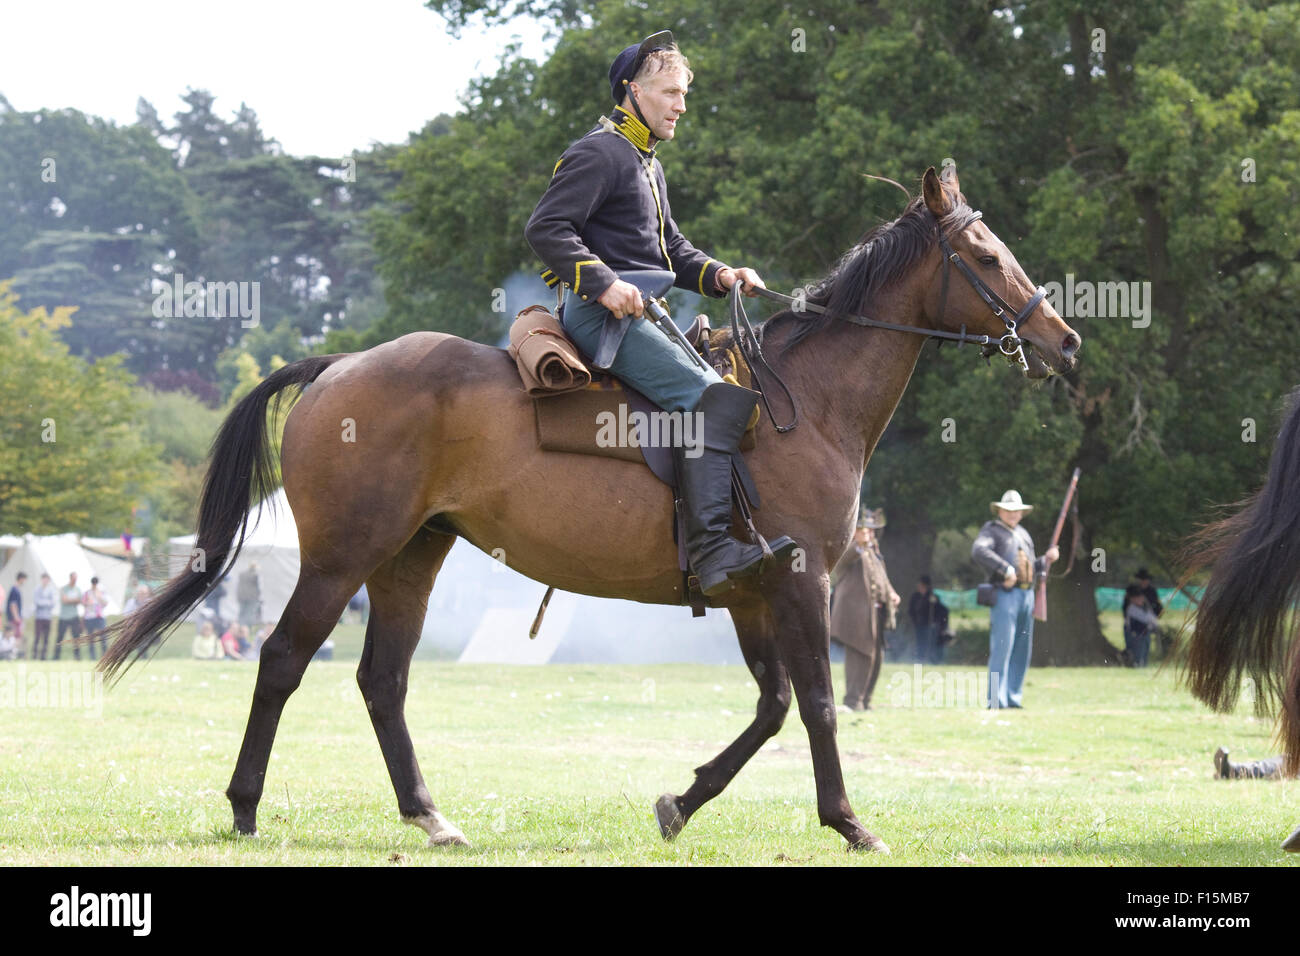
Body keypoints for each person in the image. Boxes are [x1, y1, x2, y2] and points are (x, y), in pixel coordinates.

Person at [524, 30, 795, 597]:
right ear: (633, 91)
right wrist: (603, 284)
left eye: (684, 94)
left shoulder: (646, 161)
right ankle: (714, 552)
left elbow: (671, 249)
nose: (681, 106)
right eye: (670, 93)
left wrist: (722, 273)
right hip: (601, 319)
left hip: (641, 317)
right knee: (711, 399)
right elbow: (546, 228)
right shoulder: (599, 152)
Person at [971, 490, 1059, 709]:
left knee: (1022, 649)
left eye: (1015, 511)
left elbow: (1030, 567)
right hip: (1005, 595)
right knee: (1002, 648)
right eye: (1008, 510)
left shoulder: (1024, 534)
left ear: (1021, 513)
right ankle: (995, 699)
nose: (1012, 514)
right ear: (1000, 511)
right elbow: (979, 550)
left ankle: (1012, 696)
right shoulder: (992, 530)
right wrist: (1005, 569)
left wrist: (1046, 560)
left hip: (1027, 594)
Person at [830, 509, 900, 711]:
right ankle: (853, 701)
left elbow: (882, 578)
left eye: (870, 531)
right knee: (858, 657)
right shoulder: (848, 550)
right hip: (854, 616)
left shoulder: (873, 552)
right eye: (862, 530)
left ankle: (865, 700)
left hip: (874, 613)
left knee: (876, 657)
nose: (867, 534)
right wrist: (857, 545)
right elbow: (843, 561)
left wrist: (892, 594)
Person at [907, 575, 945, 664]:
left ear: (926, 585)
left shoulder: (932, 596)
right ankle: (920, 658)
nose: (918, 587)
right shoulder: (915, 596)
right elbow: (911, 610)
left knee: (930, 642)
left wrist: (935, 621)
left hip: (930, 624)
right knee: (920, 642)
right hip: (919, 623)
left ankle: (931, 659)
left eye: (920, 585)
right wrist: (914, 620)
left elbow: (939, 610)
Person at [1122, 585, 1159, 667]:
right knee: (1137, 654)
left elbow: (1152, 619)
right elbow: (1147, 619)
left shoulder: (1144, 608)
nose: (1141, 599)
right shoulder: (1132, 609)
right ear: (1132, 599)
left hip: (1144, 634)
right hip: (1135, 635)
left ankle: (1143, 666)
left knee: (1145, 652)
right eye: (1138, 598)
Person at [53, 571, 83, 661]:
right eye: (74, 578)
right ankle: (56, 657)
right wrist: (74, 600)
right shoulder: (63, 589)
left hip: (74, 616)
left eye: (76, 579)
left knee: (76, 638)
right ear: (70, 578)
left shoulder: (78, 589)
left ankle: (77, 657)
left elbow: (79, 600)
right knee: (60, 637)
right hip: (63, 617)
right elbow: (64, 601)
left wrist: (70, 600)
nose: (75, 580)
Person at [82, 576, 108, 661]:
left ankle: (105, 656)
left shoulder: (101, 592)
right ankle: (92, 657)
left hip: (99, 617)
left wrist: (99, 597)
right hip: (89, 617)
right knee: (91, 639)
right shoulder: (87, 593)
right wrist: (88, 602)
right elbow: (83, 603)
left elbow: (105, 603)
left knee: (103, 637)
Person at [32, 573, 56, 660]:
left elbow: (53, 603)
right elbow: (36, 602)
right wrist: (47, 602)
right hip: (39, 617)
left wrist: (43, 602)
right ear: (41, 579)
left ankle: (43, 656)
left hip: (47, 617)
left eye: (47, 579)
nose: (45, 581)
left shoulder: (51, 590)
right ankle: (34, 655)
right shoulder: (37, 589)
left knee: (46, 637)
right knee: (37, 636)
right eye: (44, 579)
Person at [5, 572, 26, 656]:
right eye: (24, 580)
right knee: (15, 637)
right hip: (15, 618)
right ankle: (12, 653)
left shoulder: (15, 589)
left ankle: (12, 653)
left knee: (15, 636)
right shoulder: (14, 590)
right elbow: (13, 605)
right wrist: (17, 617)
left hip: (14, 617)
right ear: (21, 579)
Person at [237, 563, 261, 628]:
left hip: (242, 596)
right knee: (250, 613)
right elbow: (259, 587)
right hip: (252, 597)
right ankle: (247, 628)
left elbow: (239, 586)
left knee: (242, 613)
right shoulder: (255, 575)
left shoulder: (242, 574)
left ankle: (240, 626)